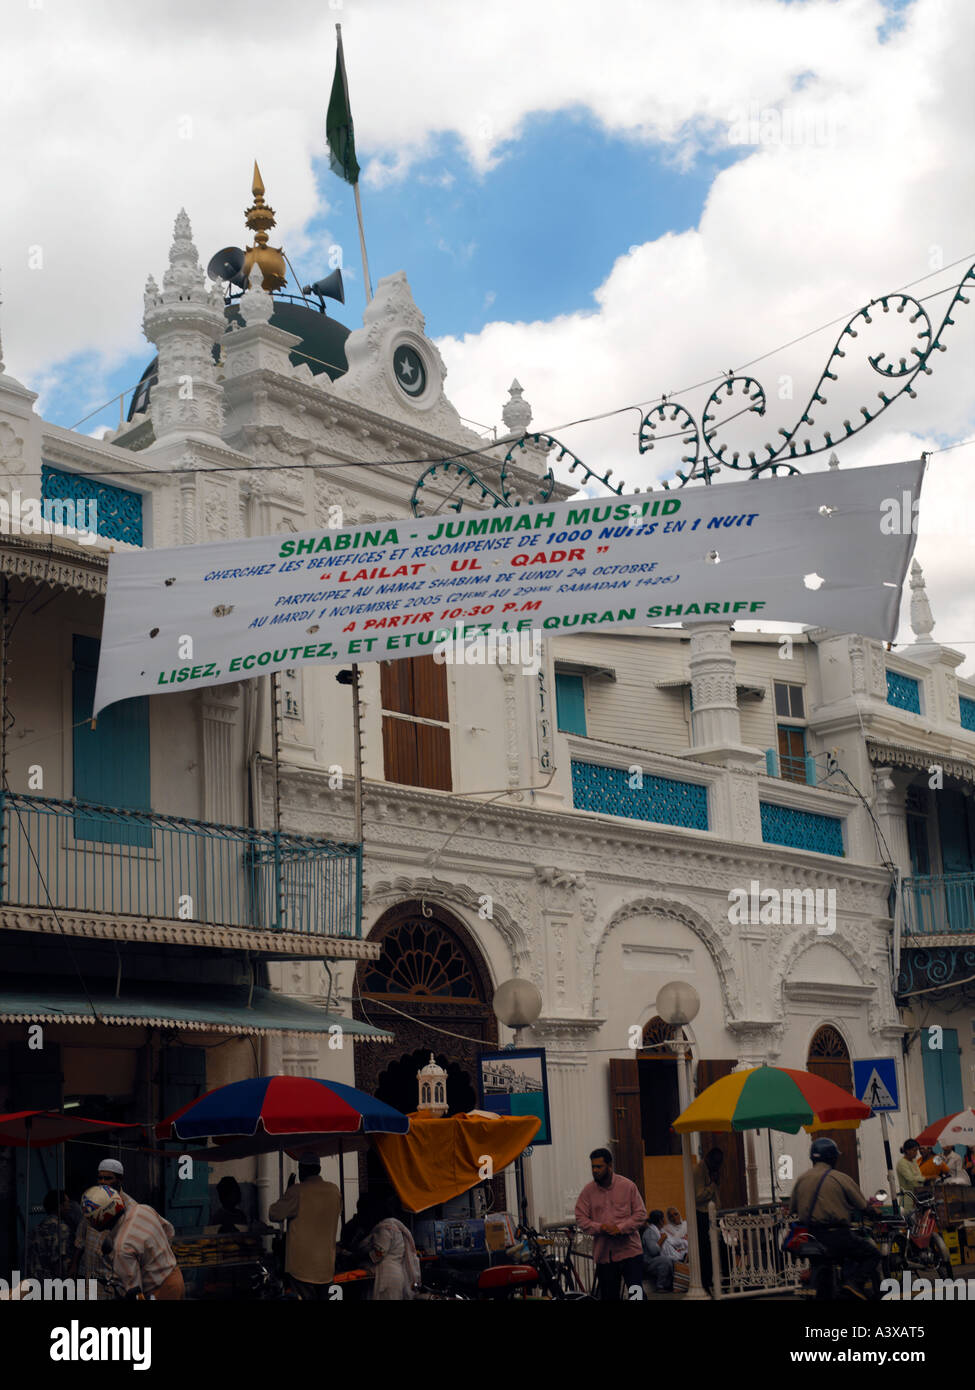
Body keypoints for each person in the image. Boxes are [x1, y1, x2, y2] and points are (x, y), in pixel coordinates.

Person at [789, 1137, 881, 1300]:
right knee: (872, 1254)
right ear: (833, 1158)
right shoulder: (840, 1178)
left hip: (811, 1237)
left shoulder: (801, 1179)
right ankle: (854, 1284)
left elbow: (792, 1208)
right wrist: (874, 1213)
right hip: (837, 1235)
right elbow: (861, 1204)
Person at [81, 1185, 184, 1300]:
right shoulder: (143, 1209)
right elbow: (169, 1231)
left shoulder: (122, 1248)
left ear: (99, 1218)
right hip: (176, 1276)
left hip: (159, 1292)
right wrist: (154, 1259)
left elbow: (135, 1294)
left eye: (90, 1219)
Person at [575, 1147, 647, 1301]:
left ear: (610, 1166)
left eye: (599, 1167)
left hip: (630, 1253)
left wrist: (620, 1228)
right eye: (593, 1167)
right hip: (605, 1256)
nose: (595, 1170)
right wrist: (600, 1227)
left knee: (636, 1295)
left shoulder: (627, 1186)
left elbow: (641, 1214)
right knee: (609, 1296)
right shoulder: (588, 1191)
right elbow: (580, 1218)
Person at [268, 1157, 342, 1300]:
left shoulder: (297, 1191)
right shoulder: (334, 1190)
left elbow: (274, 1214)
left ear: (302, 1170)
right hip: (326, 1266)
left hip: (302, 1268)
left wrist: (288, 1191)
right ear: (318, 1169)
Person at [69, 1158, 134, 1298]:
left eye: (108, 1178)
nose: (103, 1182)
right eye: (100, 1178)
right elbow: (80, 1239)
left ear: (120, 1179)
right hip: (89, 1281)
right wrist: (74, 1265)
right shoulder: (92, 1200)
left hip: (115, 1284)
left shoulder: (130, 1208)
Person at [364, 1197, 421, 1300]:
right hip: (396, 1275)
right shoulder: (397, 1227)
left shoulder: (385, 1228)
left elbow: (379, 1253)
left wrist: (359, 1257)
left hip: (387, 1276)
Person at [694, 1146, 723, 1292]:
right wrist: (712, 1185)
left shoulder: (711, 1171)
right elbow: (698, 1197)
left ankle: (720, 1281)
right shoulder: (699, 1171)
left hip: (713, 1215)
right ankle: (706, 1283)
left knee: (720, 1248)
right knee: (706, 1250)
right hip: (703, 1215)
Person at [26, 1190, 73, 1280]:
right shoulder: (61, 1229)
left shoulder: (37, 1228)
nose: (69, 1207)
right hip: (52, 1284)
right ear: (60, 1206)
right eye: (67, 1203)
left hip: (35, 1282)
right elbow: (58, 1262)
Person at [642, 1208, 675, 1291]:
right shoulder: (650, 1232)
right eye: (663, 1218)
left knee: (674, 1258)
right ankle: (660, 1286)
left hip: (655, 1260)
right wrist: (662, 1239)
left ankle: (670, 1285)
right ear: (660, 1220)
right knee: (665, 1260)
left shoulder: (659, 1231)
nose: (664, 1220)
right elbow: (653, 1251)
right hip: (648, 1262)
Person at [895, 1139, 925, 1212]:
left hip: (917, 1196)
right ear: (908, 1151)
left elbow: (919, 1176)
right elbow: (911, 1178)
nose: (916, 1153)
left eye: (917, 1151)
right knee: (909, 1219)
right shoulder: (902, 1163)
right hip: (907, 1198)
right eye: (914, 1150)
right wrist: (925, 1178)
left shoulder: (914, 1161)